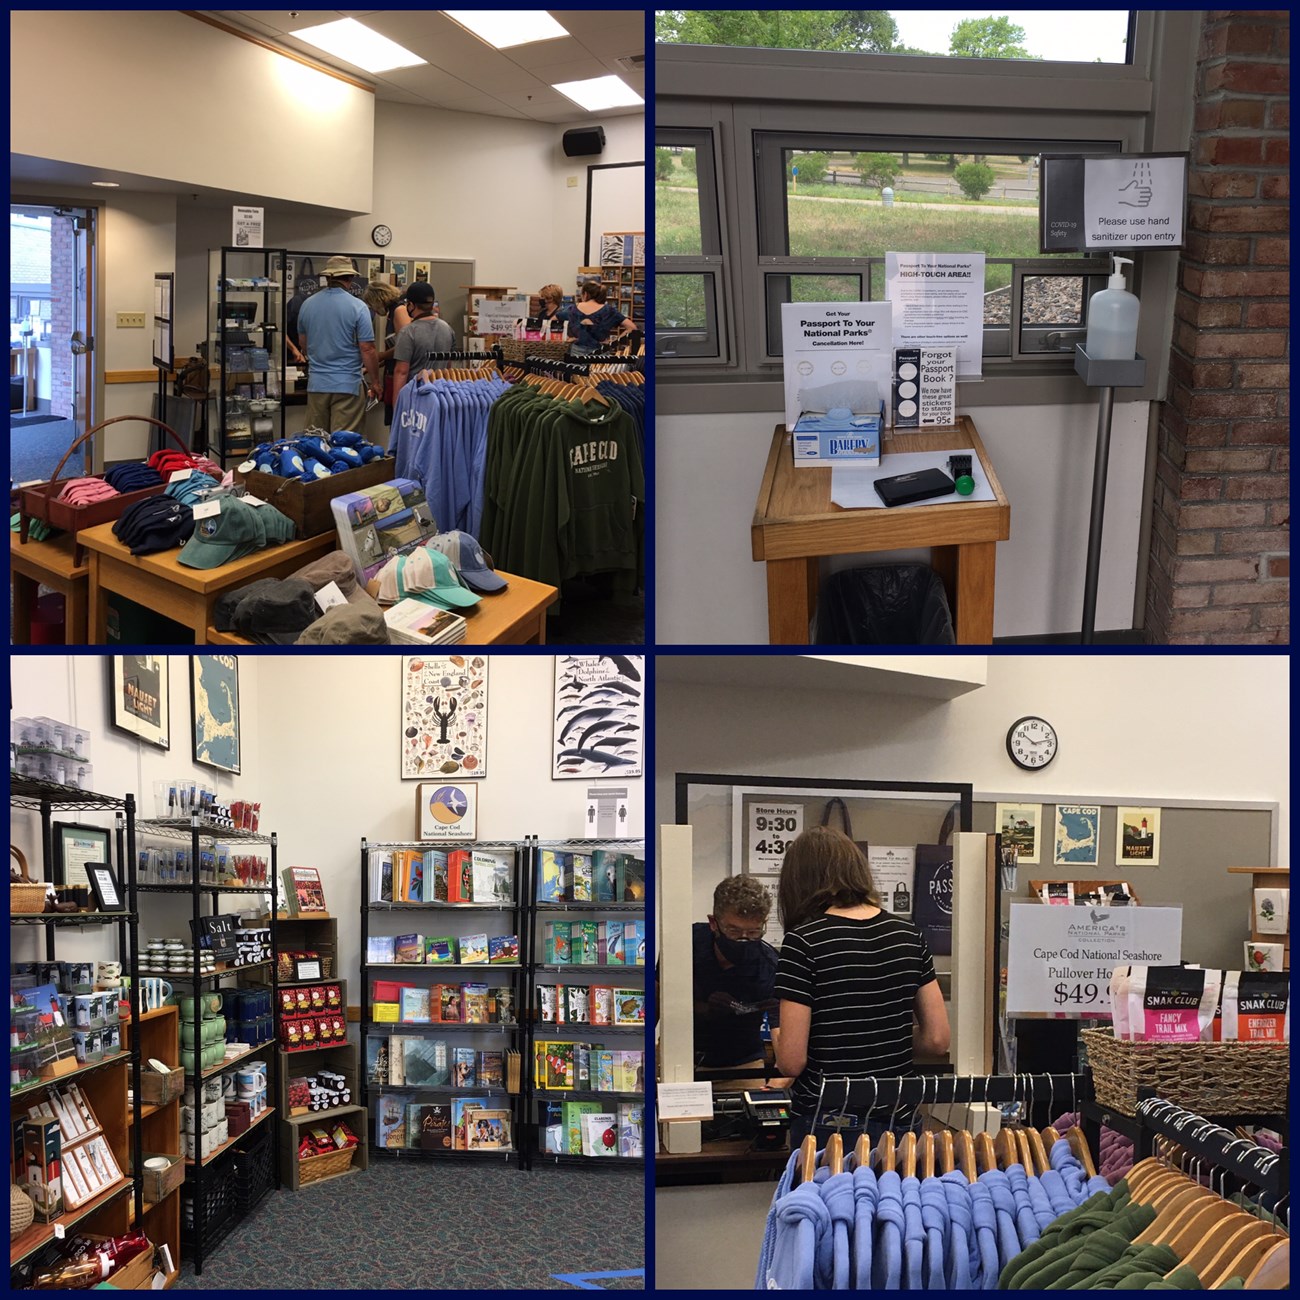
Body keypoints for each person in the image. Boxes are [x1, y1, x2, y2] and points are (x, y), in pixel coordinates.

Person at [773, 826, 949, 1148]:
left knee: (824, 1200)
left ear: (798, 881)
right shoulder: (909, 934)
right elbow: (937, 1039)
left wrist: (783, 1040)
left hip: (828, 1120)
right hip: (899, 1115)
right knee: (896, 1198)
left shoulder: (803, 942)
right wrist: (882, 1037)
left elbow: (792, 1061)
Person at [692, 875, 780, 1073]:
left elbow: (780, 1028)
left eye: (754, 932)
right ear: (713, 923)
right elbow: (658, 1000)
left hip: (744, 1066)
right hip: (681, 1059)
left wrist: (779, 1080)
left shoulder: (769, 964)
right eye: (733, 931)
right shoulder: (689, 944)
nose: (744, 939)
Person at [295, 254, 380, 434]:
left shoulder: (307, 305)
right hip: (348, 385)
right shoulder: (358, 307)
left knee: (315, 442)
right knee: (344, 447)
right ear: (350, 278)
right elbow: (367, 348)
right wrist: (375, 382)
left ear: (327, 277)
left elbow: (303, 343)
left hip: (317, 384)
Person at [391, 280, 457, 397]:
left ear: (411, 305)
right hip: (440, 397)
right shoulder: (448, 329)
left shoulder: (408, 332)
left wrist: (398, 408)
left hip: (415, 398)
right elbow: (448, 367)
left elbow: (401, 372)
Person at [363, 279, 410, 426]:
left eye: (372, 305)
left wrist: (380, 356)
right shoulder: (391, 313)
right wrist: (372, 365)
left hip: (402, 376)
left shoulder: (399, 310)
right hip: (392, 373)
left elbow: (406, 346)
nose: (374, 310)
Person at [566, 281, 635, 356]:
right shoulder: (608, 310)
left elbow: (554, 318)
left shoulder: (572, 309)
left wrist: (569, 338)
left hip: (576, 352)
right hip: (600, 352)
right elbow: (632, 328)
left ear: (585, 294)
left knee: (575, 368)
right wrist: (614, 342)